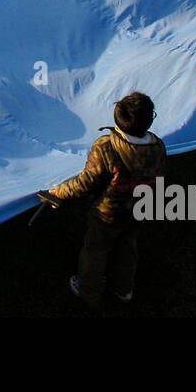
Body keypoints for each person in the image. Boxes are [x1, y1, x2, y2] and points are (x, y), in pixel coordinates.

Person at [37, 92, 166, 310]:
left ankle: (89, 291)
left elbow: (86, 182)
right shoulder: (157, 146)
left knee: (96, 251)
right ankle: (124, 289)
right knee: (128, 248)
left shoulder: (106, 146)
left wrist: (59, 192)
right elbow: (159, 177)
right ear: (150, 119)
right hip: (138, 209)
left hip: (107, 213)